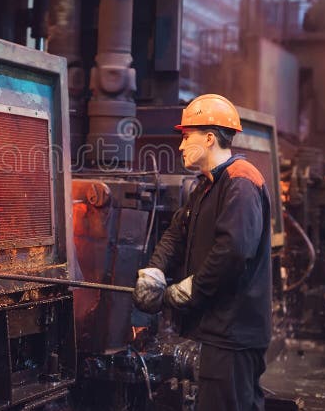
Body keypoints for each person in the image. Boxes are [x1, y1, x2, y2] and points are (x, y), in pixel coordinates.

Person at [133, 93, 272, 411]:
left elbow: (233, 252)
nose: (180, 146)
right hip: (221, 331)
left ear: (209, 138)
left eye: (186, 136)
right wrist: (154, 271)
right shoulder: (205, 186)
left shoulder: (241, 182)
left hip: (234, 333)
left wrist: (186, 292)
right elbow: (175, 234)